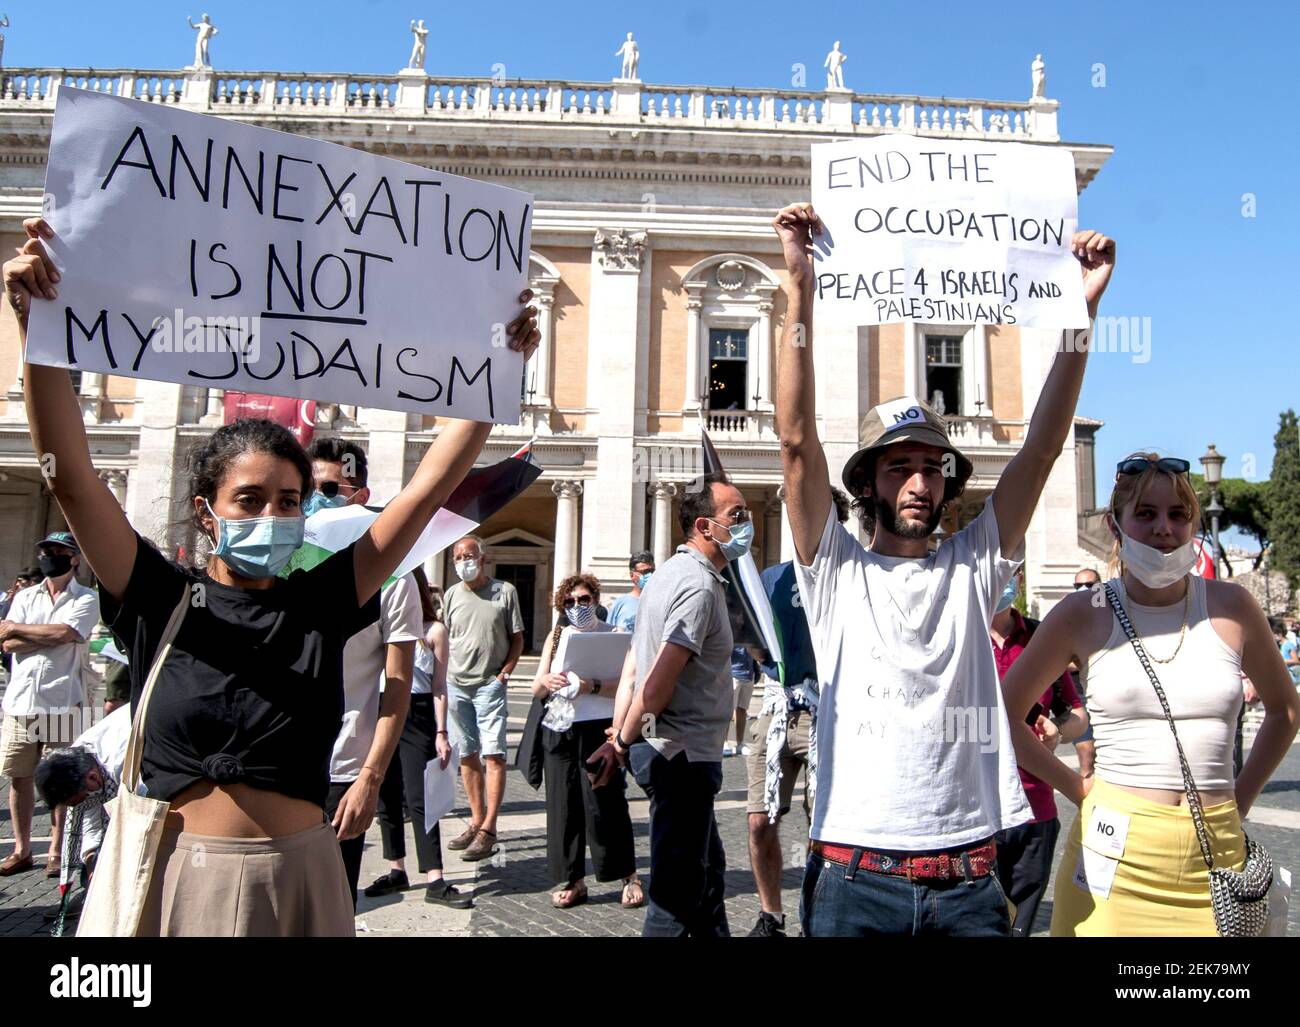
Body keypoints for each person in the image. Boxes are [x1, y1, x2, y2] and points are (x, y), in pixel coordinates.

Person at [5, 215, 539, 935]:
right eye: (249, 500)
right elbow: (71, 477)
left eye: (288, 500)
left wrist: (496, 368)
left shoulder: (322, 599)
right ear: (206, 511)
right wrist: (38, 331)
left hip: (300, 881)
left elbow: (422, 494)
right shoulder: (157, 594)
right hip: (172, 884)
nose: (274, 515)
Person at [771, 200, 1116, 936]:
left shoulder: (973, 566)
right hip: (853, 880)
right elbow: (797, 441)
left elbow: (1044, 447)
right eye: (901, 467)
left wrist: (1080, 315)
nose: (921, 483)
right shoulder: (833, 571)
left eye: (933, 468)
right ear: (869, 482)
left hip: (967, 884)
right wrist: (799, 286)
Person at [1002, 454, 1300, 935]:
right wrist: (1075, 787)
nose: (1164, 528)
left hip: (1216, 852)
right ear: (1114, 523)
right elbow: (1003, 715)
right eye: (1146, 514)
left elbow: (1286, 712)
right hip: (1114, 856)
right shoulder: (1081, 613)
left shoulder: (1233, 606)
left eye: (1178, 515)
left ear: (1193, 524)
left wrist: (1238, 803)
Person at [589, 471, 745, 937]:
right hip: (682, 755)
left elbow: (634, 667)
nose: (745, 524)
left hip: (668, 751)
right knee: (675, 898)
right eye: (735, 516)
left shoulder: (661, 579)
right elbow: (655, 681)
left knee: (708, 877)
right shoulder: (696, 588)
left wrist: (621, 736)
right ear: (704, 526)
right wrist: (619, 741)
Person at [310, 438, 422, 909]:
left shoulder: (395, 580)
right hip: (271, 768)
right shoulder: (275, 562)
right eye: (309, 487)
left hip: (342, 768)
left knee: (333, 908)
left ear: (361, 495)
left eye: (331, 487)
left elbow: (397, 689)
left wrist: (370, 777)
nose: (319, 496)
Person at [746, 487, 851, 937]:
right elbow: (751, 641)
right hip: (774, 706)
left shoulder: (851, 577)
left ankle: (818, 916)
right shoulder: (771, 578)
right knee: (757, 820)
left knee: (822, 824)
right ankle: (771, 915)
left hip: (832, 711)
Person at [530, 573, 641, 909]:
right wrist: (548, 681)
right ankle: (572, 879)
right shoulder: (556, 635)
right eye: (568, 602)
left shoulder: (616, 635)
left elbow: (628, 683)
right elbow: (535, 689)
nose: (576, 606)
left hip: (599, 727)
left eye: (583, 599)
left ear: (595, 598)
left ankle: (627, 874)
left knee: (605, 803)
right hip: (560, 728)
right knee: (562, 805)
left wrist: (590, 685)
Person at [989, 568, 1088, 937]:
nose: (1003, 582)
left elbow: (1077, 713)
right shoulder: (957, 638)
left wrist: (1059, 729)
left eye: (1010, 572)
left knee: (1020, 929)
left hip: (1036, 810)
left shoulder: (1041, 638)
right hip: (977, 812)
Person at [366, 569, 471, 908]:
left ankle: (435, 876)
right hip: (382, 706)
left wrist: (442, 732)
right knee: (386, 791)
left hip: (419, 710)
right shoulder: (382, 627)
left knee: (420, 796)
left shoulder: (434, 630)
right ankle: (396, 866)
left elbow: (440, 686)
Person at [0, 530, 100, 878]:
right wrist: (37, 634)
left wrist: (22, 630)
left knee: (59, 779)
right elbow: (7, 642)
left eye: (58, 551)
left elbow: (67, 634)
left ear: (74, 558)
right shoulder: (26, 595)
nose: (49, 556)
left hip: (62, 700)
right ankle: (21, 848)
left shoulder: (86, 598)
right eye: (46, 550)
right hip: (21, 700)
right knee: (19, 776)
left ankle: (57, 849)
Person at [443, 535, 526, 862]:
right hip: (456, 684)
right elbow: (447, 637)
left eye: (470, 555)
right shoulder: (450, 595)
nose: (464, 561)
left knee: (495, 754)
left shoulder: (505, 592)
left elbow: (517, 639)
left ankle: (489, 829)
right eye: (458, 557)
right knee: (467, 753)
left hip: (489, 684)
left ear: (483, 558)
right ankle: (475, 820)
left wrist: (504, 674)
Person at [34, 704, 131, 932]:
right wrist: (91, 862)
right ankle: (93, 891)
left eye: (76, 799)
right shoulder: (77, 755)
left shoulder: (120, 763)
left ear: (92, 779)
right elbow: (89, 820)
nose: (75, 805)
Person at [1071, 567, 1103, 778]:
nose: (1084, 589)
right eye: (1078, 586)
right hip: (1078, 696)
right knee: (1086, 753)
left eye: (1090, 585)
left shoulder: (1113, 615)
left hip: (1106, 694)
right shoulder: (1068, 618)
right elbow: (1059, 658)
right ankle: (1084, 807)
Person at [608, 551, 654, 633]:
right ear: (632, 575)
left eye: (652, 571)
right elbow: (607, 637)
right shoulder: (619, 604)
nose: (650, 575)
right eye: (645, 572)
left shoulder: (661, 602)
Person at [724, 646, 757, 757]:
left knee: (742, 709)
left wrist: (756, 670)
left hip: (748, 674)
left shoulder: (750, 631)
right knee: (728, 710)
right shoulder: (733, 631)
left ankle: (740, 744)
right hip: (733, 673)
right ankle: (723, 743)